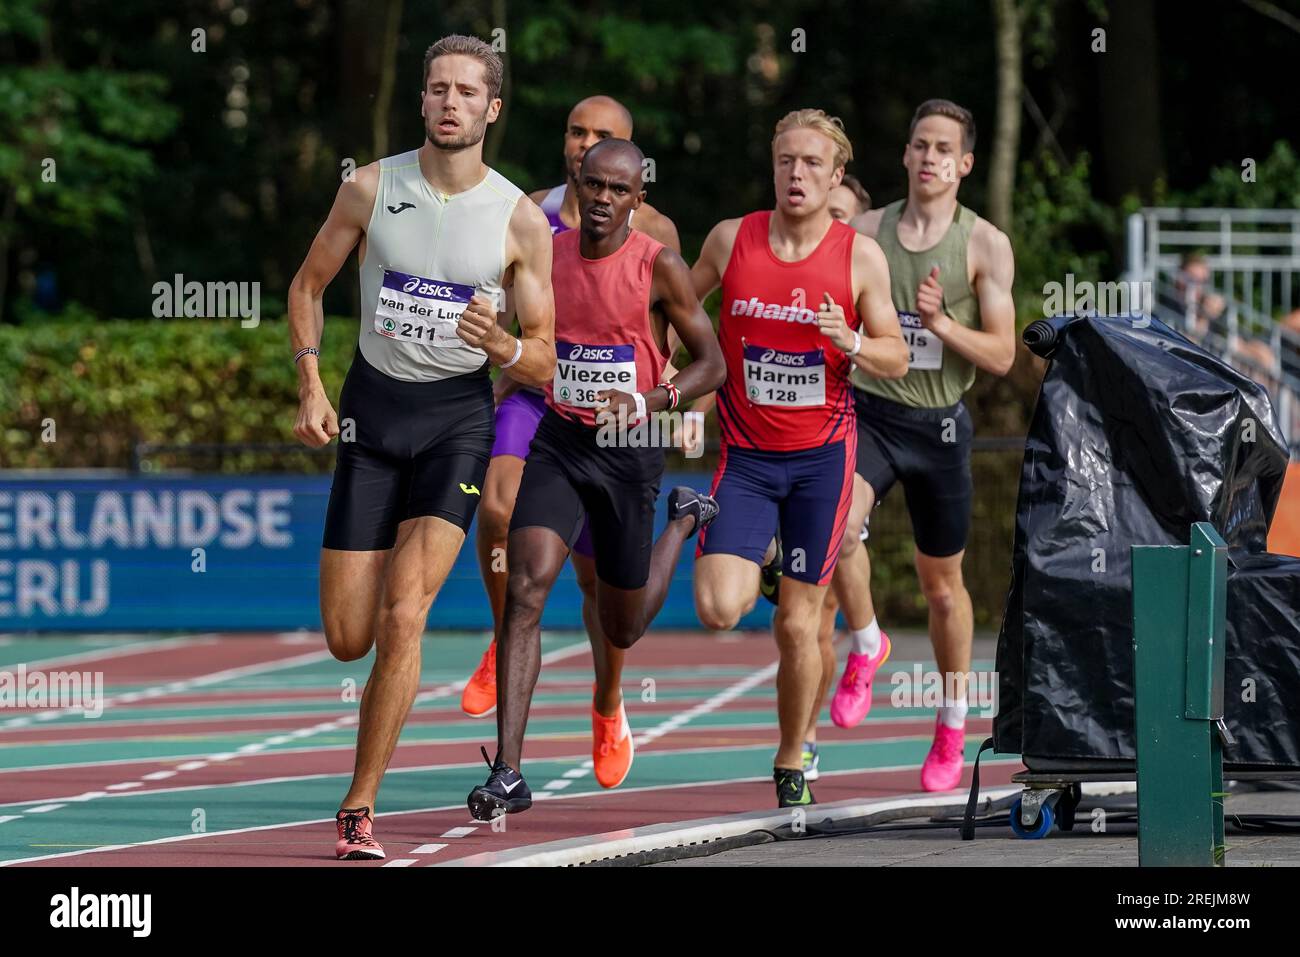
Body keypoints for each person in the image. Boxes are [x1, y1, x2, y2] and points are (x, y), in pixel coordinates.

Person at [287, 34, 555, 860]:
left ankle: (359, 806)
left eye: (466, 92)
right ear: (423, 101)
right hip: (371, 418)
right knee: (347, 634)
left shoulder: (517, 217)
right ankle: (362, 769)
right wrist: (309, 382)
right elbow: (306, 285)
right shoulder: (370, 186)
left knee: (407, 616)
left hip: (457, 425)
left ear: (491, 108)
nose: (448, 102)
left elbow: (546, 357)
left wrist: (502, 344)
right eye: (437, 88)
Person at [466, 138, 726, 821]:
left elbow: (713, 363)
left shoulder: (659, 266)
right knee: (525, 588)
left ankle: (685, 519)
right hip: (560, 439)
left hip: (629, 447)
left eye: (619, 189)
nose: (604, 199)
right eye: (593, 186)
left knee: (624, 623)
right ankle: (510, 773)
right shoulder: (546, 258)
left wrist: (653, 402)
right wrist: (496, 371)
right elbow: (528, 342)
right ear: (576, 187)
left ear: (639, 199)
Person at [691, 109, 908, 808]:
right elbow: (675, 309)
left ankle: (790, 758)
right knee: (720, 608)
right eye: (787, 160)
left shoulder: (859, 256)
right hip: (748, 457)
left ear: (836, 175)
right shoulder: (731, 240)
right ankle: (762, 560)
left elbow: (897, 356)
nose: (797, 174)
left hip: (821, 459)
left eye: (813, 164)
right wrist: (673, 383)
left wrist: (850, 339)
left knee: (798, 622)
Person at [826, 98, 1016, 793]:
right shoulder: (868, 231)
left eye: (945, 149)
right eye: (921, 146)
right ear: (905, 156)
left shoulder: (983, 244)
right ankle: (868, 640)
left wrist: (940, 323)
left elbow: (999, 354)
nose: (931, 157)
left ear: (964, 164)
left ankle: (951, 720)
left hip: (939, 426)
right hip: (871, 413)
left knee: (942, 587)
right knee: (838, 528)